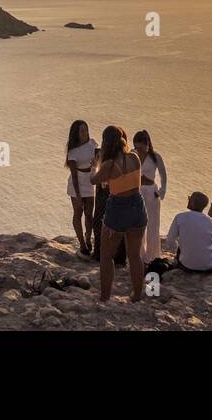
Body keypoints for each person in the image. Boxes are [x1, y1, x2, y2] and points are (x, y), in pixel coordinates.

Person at [90, 124, 147, 301]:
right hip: (137, 206)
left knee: (106, 257)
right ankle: (137, 295)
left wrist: (94, 165)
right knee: (135, 255)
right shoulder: (134, 157)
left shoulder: (109, 164)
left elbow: (94, 180)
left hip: (118, 208)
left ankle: (105, 297)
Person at [164, 192, 212, 273]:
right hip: (207, 266)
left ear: (191, 202)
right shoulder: (210, 221)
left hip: (185, 265)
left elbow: (170, 240)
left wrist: (178, 250)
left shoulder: (180, 217)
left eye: (189, 199)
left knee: (182, 246)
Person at [133, 129, 168, 263]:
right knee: (137, 224)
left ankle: (152, 256)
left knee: (153, 224)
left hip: (151, 192)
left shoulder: (155, 156)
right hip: (136, 192)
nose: (140, 150)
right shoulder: (132, 154)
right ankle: (139, 255)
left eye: (142, 147)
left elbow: (163, 175)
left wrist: (160, 191)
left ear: (148, 144)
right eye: (137, 147)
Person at [65, 120, 97, 255]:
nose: (85, 133)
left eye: (86, 130)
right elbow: (74, 175)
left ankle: (88, 238)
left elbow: (98, 160)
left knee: (89, 214)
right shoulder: (73, 152)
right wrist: (78, 195)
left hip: (89, 181)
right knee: (78, 213)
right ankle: (82, 244)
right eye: (82, 131)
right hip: (76, 184)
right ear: (76, 134)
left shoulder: (93, 143)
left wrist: (96, 163)